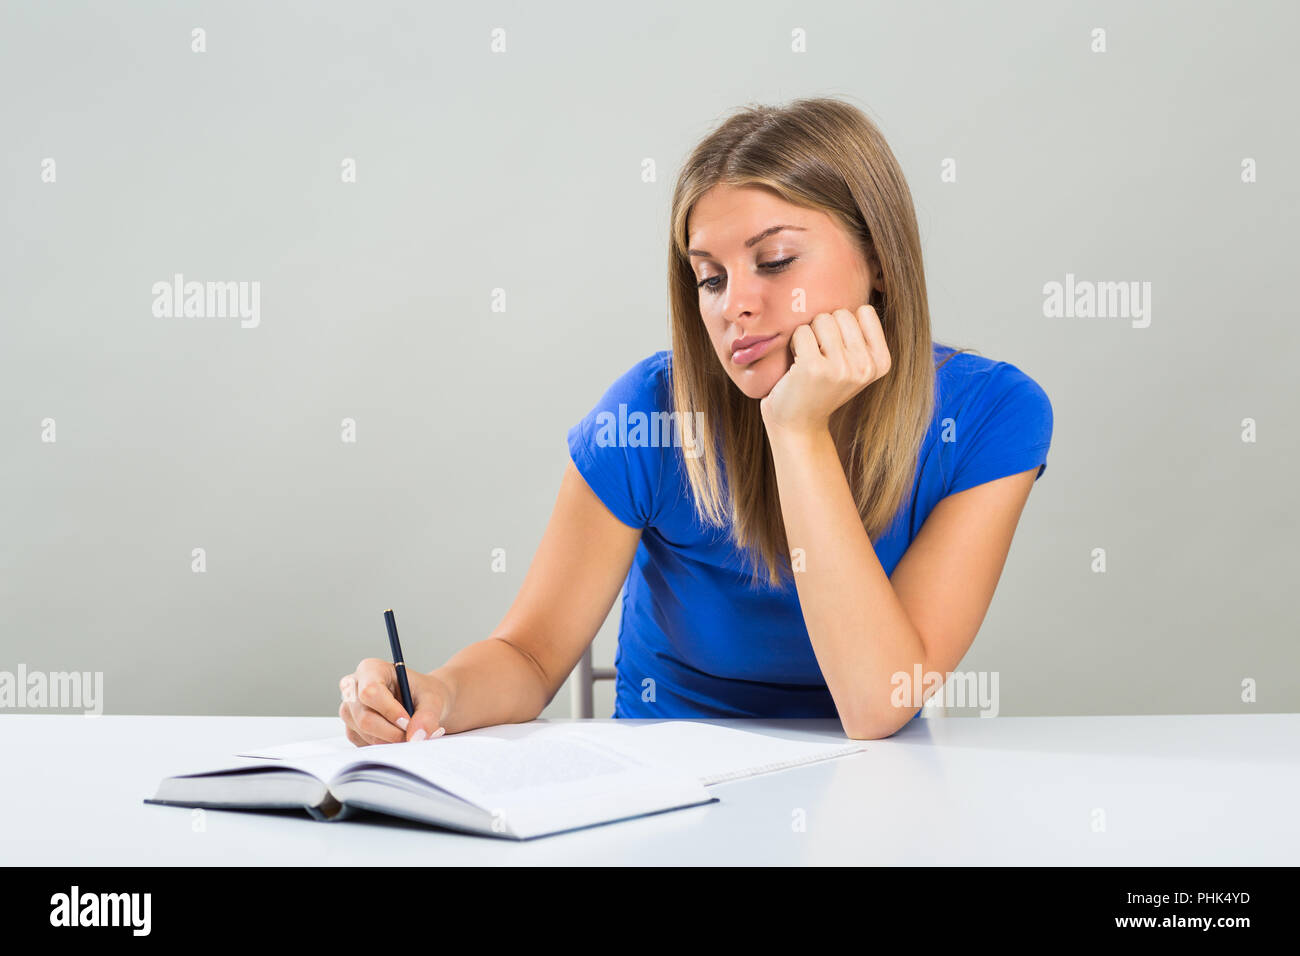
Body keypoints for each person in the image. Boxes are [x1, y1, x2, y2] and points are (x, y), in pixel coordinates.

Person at [339, 96, 1053, 744]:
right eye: (709, 276)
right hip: (666, 786)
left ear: (879, 261)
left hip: (867, 794)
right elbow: (530, 655)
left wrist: (798, 432)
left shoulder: (992, 417)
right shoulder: (649, 413)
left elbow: (876, 705)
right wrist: (439, 693)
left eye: (773, 261)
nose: (731, 305)